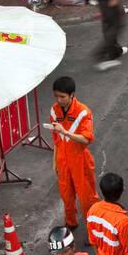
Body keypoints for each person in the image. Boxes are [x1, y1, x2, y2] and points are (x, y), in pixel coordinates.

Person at [45, 77, 98, 232]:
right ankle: (71, 222)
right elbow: (56, 140)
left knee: (87, 197)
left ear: (72, 95)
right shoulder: (54, 111)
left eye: (62, 97)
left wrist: (66, 132)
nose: (59, 100)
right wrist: (54, 161)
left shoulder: (83, 112)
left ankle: (94, 228)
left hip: (80, 160)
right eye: (56, 96)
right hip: (62, 160)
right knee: (66, 195)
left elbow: (86, 139)